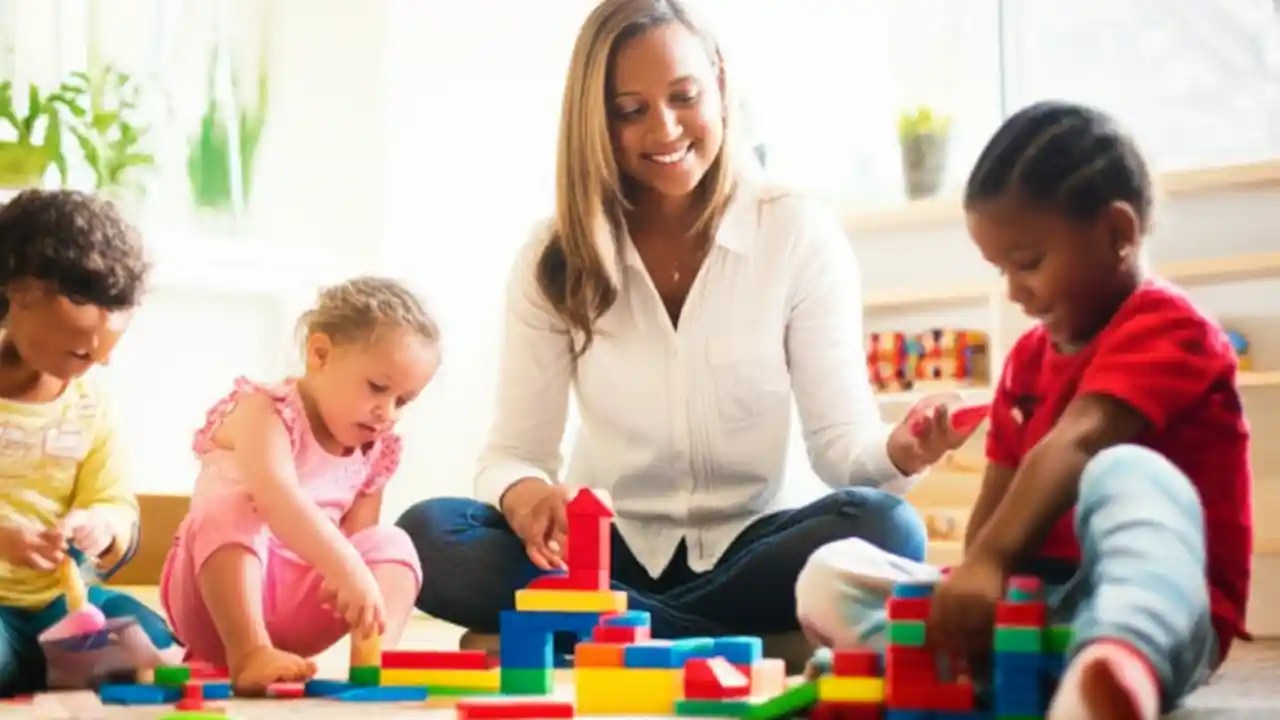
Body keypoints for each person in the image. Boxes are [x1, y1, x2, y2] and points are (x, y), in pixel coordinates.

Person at [396, 0, 970, 666]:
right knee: (429, 534)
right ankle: (729, 640)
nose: (664, 128)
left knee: (887, 525)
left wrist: (902, 450)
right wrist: (525, 497)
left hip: (754, 549)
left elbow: (842, 452)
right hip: (603, 559)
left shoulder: (795, 232)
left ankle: (598, 635)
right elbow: (512, 453)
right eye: (630, 110)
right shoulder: (555, 256)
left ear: (720, 83)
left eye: (683, 96)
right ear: (596, 121)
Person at [795, 100, 1251, 720]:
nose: (1013, 291)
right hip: (1035, 609)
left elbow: (1080, 440)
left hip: (1157, 606)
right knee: (831, 572)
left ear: (1118, 235)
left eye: (1029, 263)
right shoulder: (1029, 359)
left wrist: (989, 560)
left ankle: (1113, 667)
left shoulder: (1168, 325)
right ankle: (980, 672)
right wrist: (971, 587)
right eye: (999, 269)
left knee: (1126, 474)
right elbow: (998, 499)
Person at [160, 276, 440, 693]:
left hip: (300, 610)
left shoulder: (375, 449)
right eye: (378, 388)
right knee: (234, 506)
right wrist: (345, 565)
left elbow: (359, 540)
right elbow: (278, 498)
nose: (388, 412)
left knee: (392, 542)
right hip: (213, 598)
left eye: (403, 401)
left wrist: (353, 575)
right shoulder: (265, 411)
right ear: (320, 353)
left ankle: (376, 661)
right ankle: (250, 651)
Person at [0, 189, 179, 696]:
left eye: (105, 352)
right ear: (20, 292)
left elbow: (113, 496)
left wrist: (101, 526)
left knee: (152, 634)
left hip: (62, 602)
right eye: (81, 349)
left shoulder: (90, 404)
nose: (98, 363)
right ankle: (52, 669)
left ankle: (51, 666)